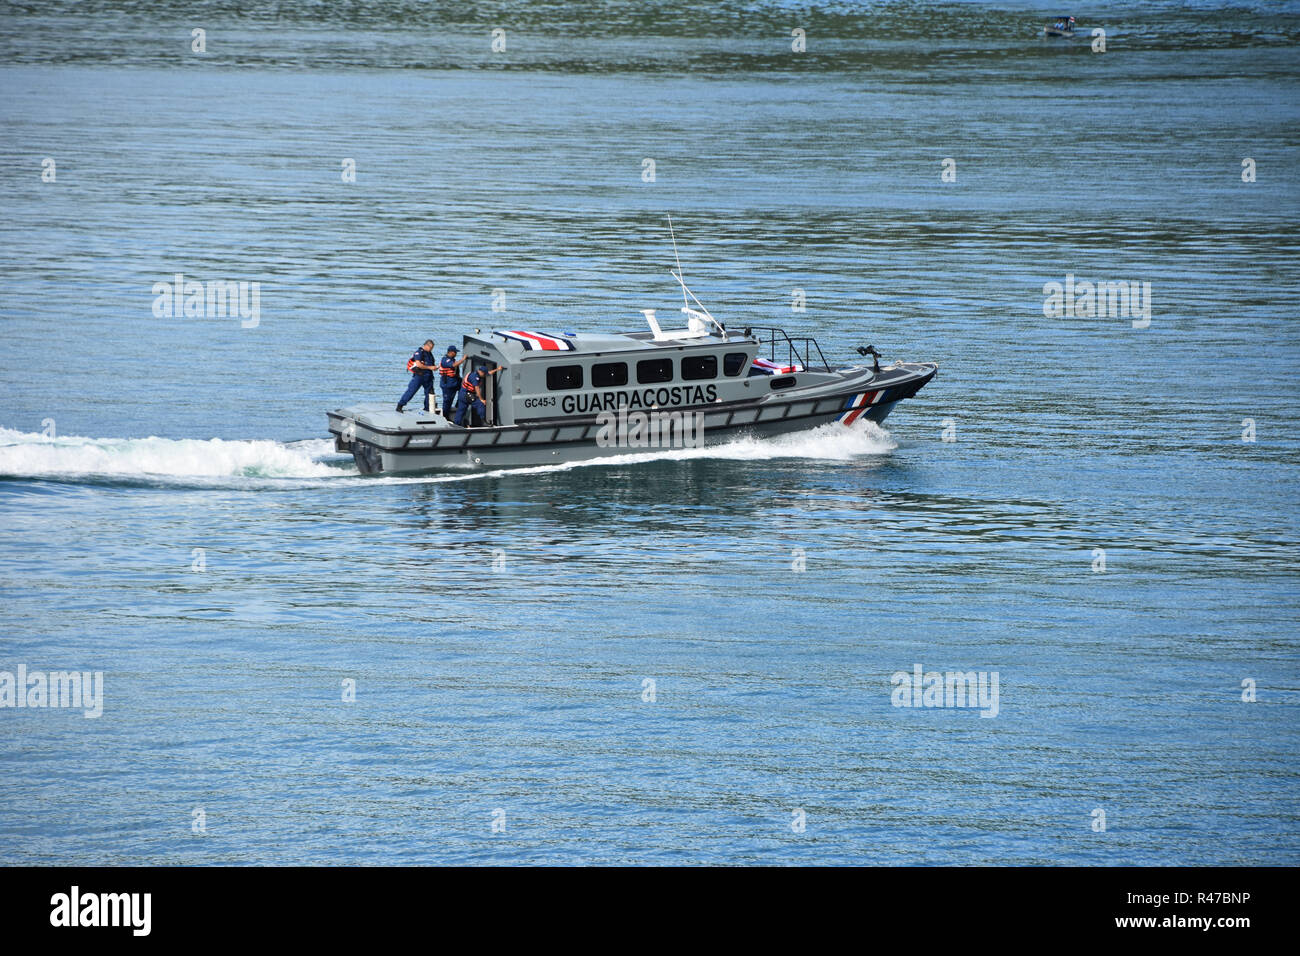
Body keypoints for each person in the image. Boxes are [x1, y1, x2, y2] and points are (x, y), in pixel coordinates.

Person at [396, 339, 436, 413]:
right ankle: (400, 405)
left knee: (429, 393)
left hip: (428, 376)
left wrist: (434, 368)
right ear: (426, 346)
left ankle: (427, 408)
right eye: (431, 348)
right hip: (419, 375)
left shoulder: (429, 354)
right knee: (411, 391)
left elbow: (431, 364)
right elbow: (419, 364)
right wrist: (430, 367)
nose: (431, 349)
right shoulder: (419, 353)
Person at [437, 345, 467, 420]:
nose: (456, 354)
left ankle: (458, 404)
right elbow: (453, 365)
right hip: (447, 385)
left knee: (463, 388)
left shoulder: (452, 359)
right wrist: (463, 359)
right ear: (450, 352)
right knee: (447, 402)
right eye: (455, 352)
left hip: (455, 382)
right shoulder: (445, 360)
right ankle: (445, 417)